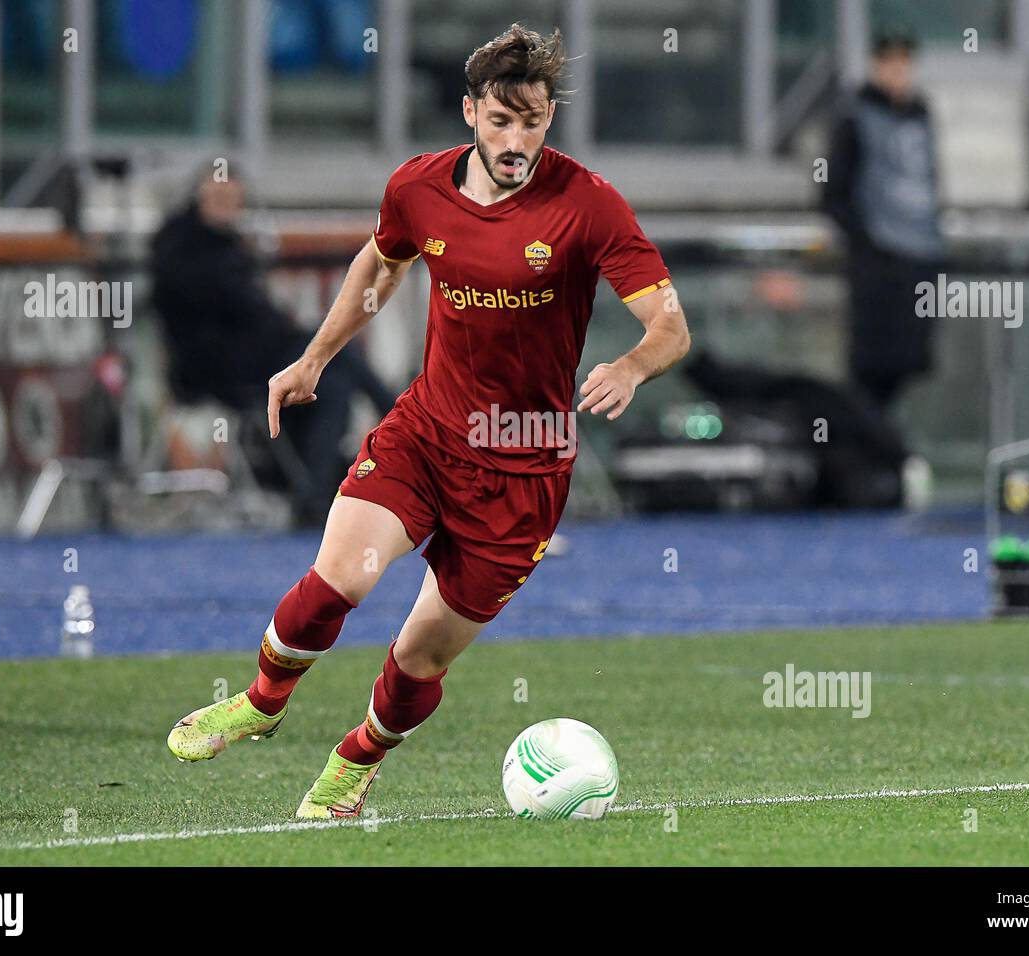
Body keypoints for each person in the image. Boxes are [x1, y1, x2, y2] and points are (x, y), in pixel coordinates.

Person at [166, 23, 690, 818]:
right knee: (341, 577)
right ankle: (262, 703)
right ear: (471, 111)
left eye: (535, 121)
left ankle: (355, 762)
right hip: (429, 433)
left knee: (417, 655)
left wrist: (631, 366)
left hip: (525, 470)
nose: (518, 139)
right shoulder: (419, 188)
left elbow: (671, 326)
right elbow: (380, 264)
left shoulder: (588, 205)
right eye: (503, 120)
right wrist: (314, 359)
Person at [150, 168, 394, 521]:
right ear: (198, 199)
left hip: (257, 357)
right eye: (218, 199)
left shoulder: (225, 246)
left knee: (336, 387)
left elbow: (254, 314)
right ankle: (401, 422)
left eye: (233, 201)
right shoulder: (182, 250)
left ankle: (314, 499)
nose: (226, 208)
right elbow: (239, 311)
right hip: (218, 370)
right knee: (339, 351)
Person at [822, 27, 945, 411]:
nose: (898, 72)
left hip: (918, 259)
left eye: (903, 63)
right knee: (871, 368)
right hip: (878, 265)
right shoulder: (853, 117)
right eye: (890, 62)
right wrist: (868, 243)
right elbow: (832, 193)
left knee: (907, 365)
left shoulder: (921, 113)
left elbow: (929, 182)